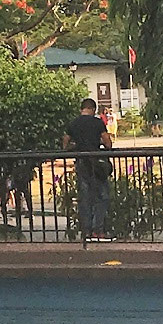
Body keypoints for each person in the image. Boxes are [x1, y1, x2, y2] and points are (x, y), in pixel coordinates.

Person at [62, 97, 113, 242]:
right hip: (96, 163)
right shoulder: (97, 122)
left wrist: (72, 147)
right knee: (102, 196)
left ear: (81, 109)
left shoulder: (74, 123)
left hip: (81, 163)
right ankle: (99, 230)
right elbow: (108, 142)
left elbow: (65, 142)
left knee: (85, 198)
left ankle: (87, 231)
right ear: (93, 109)